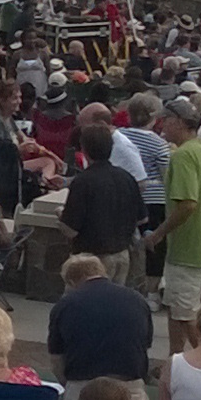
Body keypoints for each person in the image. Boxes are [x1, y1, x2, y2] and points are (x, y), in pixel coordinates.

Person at [150, 101, 201, 355]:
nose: (162, 126)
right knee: (176, 306)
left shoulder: (183, 155)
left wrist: (158, 233)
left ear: (178, 123)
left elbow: (187, 204)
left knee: (187, 313)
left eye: (166, 121)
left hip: (186, 248)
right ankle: (176, 359)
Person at [56, 120, 148, 287]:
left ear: (84, 149)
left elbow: (70, 230)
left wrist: (60, 215)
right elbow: (141, 219)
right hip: (121, 255)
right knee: (113, 304)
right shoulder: (127, 178)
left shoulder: (83, 182)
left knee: (83, 306)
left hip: (90, 259)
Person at [43, 250, 151, 386]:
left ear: (71, 282)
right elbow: (144, 346)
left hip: (83, 383)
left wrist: (70, 386)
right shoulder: (138, 300)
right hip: (130, 384)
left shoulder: (65, 305)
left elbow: (57, 359)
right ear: (103, 273)